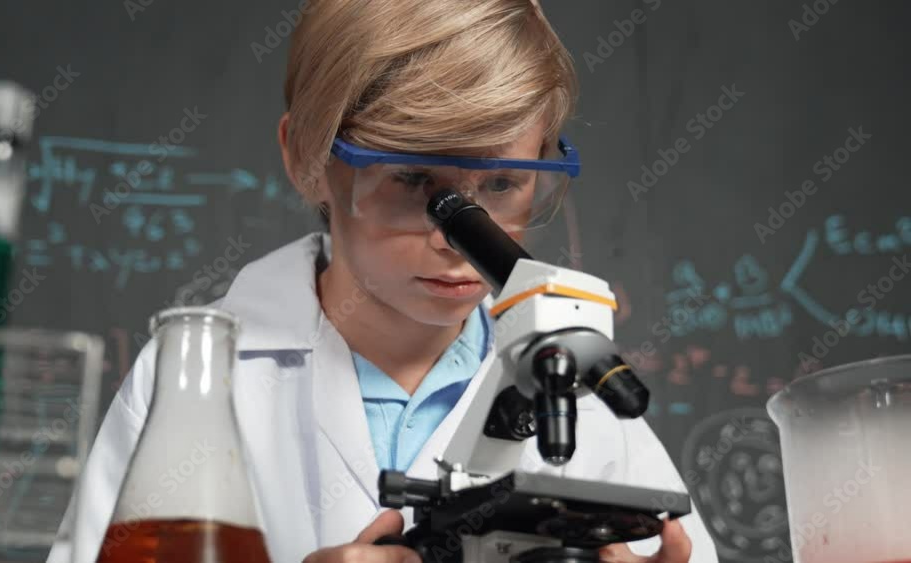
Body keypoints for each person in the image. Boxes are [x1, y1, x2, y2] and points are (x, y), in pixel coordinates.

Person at [47, 1, 719, 562]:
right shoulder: (196, 377)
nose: (453, 239)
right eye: (413, 181)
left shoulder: (571, 379)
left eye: (504, 184)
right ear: (308, 158)